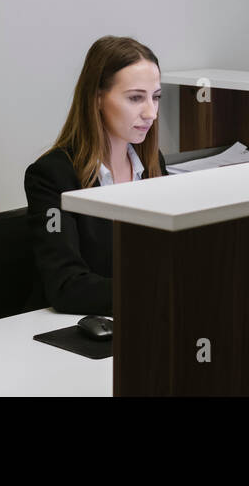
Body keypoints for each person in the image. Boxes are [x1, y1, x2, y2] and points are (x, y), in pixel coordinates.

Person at [24, 36, 166, 314]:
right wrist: (154, 292)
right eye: (136, 98)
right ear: (97, 98)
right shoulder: (52, 176)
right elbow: (67, 286)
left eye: (156, 97)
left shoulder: (152, 165)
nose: (151, 113)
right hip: (73, 332)